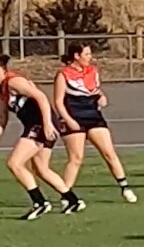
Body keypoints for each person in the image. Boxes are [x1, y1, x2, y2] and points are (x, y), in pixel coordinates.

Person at [0, 54, 80, 219]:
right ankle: (72, 200)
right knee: (41, 169)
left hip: (41, 125)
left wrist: (47, 123)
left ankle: (39, 203)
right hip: (36, 125)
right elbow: (2, 117)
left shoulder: (14, 81)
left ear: (0, 69)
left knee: (15, 163)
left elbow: (41, 97)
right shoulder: (2, 88)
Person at [52, 42, 138, 203]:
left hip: (93, 116)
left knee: (109, 153)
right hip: (73, 117)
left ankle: (124, 187)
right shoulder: (63, 75)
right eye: (86, 54)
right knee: (76, 158)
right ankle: (66, 195)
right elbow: (58, 102)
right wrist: (69, 120)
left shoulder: (93, 71)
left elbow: (95, 90)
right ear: (76, 56)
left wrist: (101, 97)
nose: (90, 58)